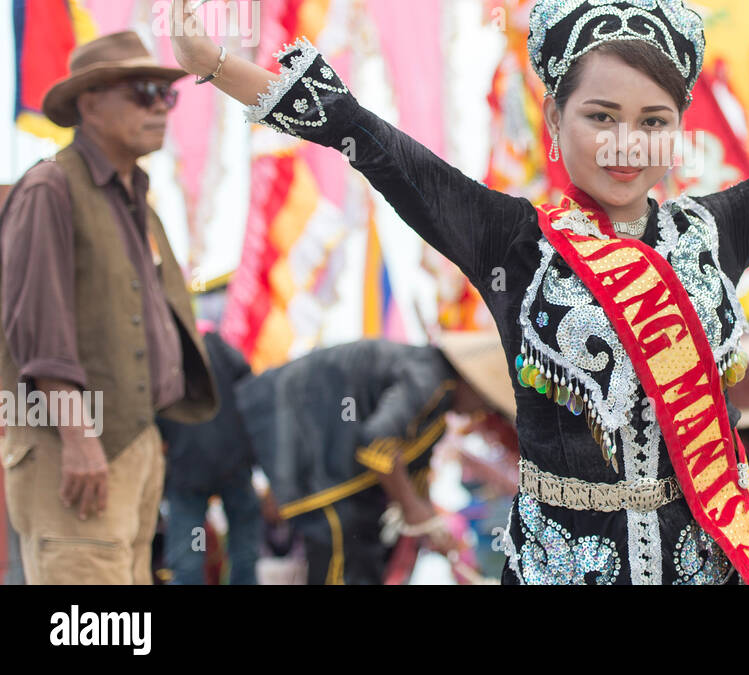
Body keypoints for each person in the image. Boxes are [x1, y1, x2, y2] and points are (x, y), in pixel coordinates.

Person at [169, 0, 749, 584]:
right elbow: (375, 143)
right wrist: (217, 64)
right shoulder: (511, 241)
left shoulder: (716, 232)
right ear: (556, 120)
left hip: (703, 562)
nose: (627, 142)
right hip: (558, 566)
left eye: (654, 121)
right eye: (602, 114)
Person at [0, 30, 217, 585]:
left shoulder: (135, 201)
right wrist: (78, 438)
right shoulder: (50, 188)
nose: (159, 107)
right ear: (89, 104)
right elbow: (38, 332)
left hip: (131, 441)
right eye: (143, 92)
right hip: (72, 442)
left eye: (166, 95)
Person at [233, 339, 464, 585]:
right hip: (315, 462)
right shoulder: (431, 379)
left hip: (331, 472)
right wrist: (411, 507)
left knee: (357, 550)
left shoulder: (438, 406)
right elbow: (376, 442)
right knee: (346, 550)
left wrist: (429, 524)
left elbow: (414, 477)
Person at [157, 326, 261, 585]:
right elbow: (251, 390)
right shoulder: (220, 349)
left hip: (187, 468)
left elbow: (153, 408)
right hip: (233, 462)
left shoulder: (165, 356)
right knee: (244, 552)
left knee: (187, 559)